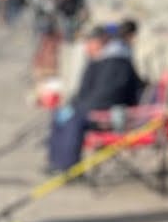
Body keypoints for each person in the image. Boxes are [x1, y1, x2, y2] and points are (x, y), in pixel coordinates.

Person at [46, 24, 146, 173]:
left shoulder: (117, 62)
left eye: (89, 43)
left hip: (111, 114)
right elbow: (85, 91)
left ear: (99, 43)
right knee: (60, 115)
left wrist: (80, 107)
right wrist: (74, 104)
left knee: (74, 119)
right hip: (94, 108)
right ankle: (56, 163)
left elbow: (110, 95)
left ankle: (69, 167)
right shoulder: (98, 60)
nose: (86, 47)